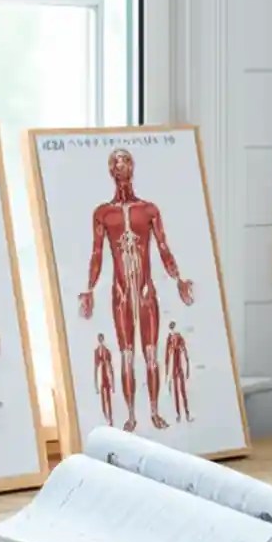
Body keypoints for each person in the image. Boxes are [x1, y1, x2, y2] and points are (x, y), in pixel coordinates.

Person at [79, 149, 194, 431]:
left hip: (145, 292)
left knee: (151, 353)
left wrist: (178, 279)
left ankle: (153, 412)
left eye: (126, 160)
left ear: (133, 166)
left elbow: (163, 247)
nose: (121, 165)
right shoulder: (103, 213)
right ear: (110, 170)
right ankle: (131, 415)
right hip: (120, 293)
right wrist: (89, 289)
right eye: (116, 162)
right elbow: (96, 254)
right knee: (127, 354)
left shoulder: (149, 210)